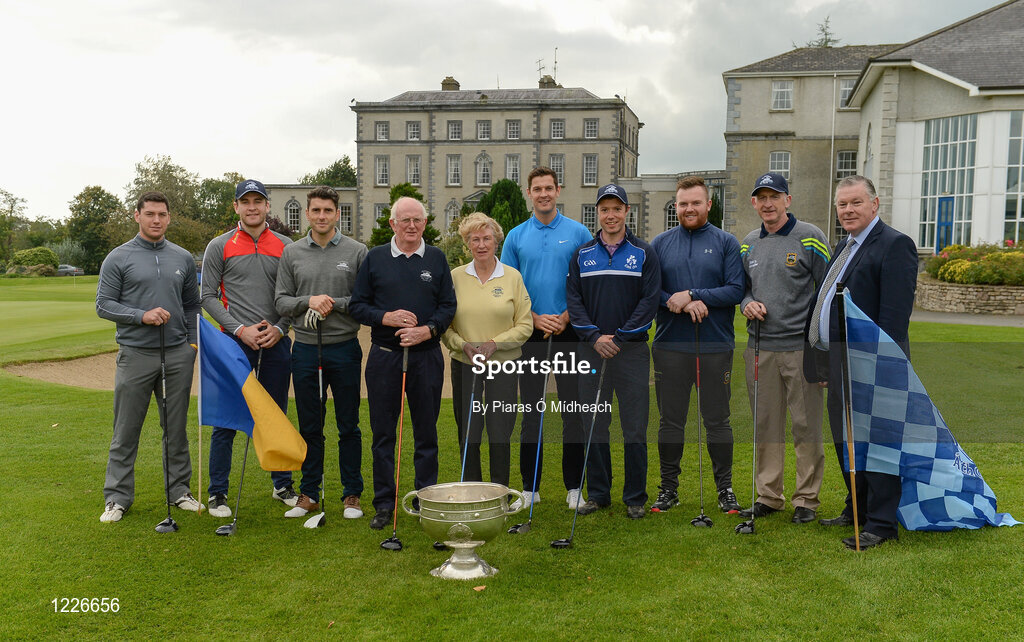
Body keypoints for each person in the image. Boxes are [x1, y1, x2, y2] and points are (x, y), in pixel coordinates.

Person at [805, 175, 918, 550]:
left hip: (874, 365)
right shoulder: (844, 245)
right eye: (842, 204)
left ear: (875, 204)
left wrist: (879, 364)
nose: (848, 210)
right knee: (846, 441)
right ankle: (856, 508)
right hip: (840, 364)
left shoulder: (895, 244)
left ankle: (882, 523)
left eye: (855, 202)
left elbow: (894, 318)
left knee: (878, 444)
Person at [349, 197, 456, 530]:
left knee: (427, 433)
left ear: (425, 223)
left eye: (418, 220)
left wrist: (428, 330)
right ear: (393, 223)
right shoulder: (375, 258)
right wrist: (386, 317)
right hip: (385, 358)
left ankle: (426, 499)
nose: (412, 226)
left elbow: (448, 306)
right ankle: (384, 503)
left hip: (426, 358)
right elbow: (357, 306)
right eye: (405, 220)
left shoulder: (436, 258)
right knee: (383, 434)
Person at [96, 191, 203, 522]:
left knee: (176, 427)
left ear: (169, 218)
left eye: (162, 214)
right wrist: (140, 315)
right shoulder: (119, 257)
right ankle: (117, 498)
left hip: (176, 355)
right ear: (137, 216)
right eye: (150, 214)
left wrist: (192, 345)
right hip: (136, 354)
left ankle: (179, 491)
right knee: (126, 428)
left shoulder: (183, 258)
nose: (156, 220)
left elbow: (191, 305)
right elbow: (104, 304)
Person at [201, 179, 298, 517]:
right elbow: (207, 296)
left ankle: (282, 484)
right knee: (226, 418)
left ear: (268, 206)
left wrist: (281, 328)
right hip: (233, 343)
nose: (253, 206)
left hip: (274, 341)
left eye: (259, 201)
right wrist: (239, 329)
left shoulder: (287, 246)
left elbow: (290, 298)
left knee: (275, 415)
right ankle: (217, 493)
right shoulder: (220, 245)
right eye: (246, 201)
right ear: (236, 207)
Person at [650, 175, 745, 514]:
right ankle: (668, 489)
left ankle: (725, 489)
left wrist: (693, 294)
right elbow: (651, 294)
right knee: (670, 422)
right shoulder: (659, 243)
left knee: (717, 421)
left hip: (715, 346)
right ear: (676, 206)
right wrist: (677, 301)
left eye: (695, 203)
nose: (689, 209)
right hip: (670, 347)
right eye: (683, 203)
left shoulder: (726, 242)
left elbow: (735, 289)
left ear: (708, 204)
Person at [738, 172, 829, 524]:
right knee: (766, 425)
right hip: (760, 349)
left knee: (806, 426)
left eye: (774, 196)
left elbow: (828, 291)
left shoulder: (810, 237)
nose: (768, 203)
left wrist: (823, 352)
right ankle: (768, 496)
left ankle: (806, 499)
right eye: (761, 197)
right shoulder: (748, 243)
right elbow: (743, 289)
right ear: (754, 203)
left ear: (787, 200)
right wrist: (746, 303)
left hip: (801, 349)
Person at [500, 166, 593, 509]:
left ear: (558, 190)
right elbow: (509, 287)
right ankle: (530, 488)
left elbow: (586, 283)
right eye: (537, 189)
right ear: (529, 193)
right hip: (532, 332)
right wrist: (535, 318)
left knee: (572, 411)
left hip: (569, 331)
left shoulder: (579, 232)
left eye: (548, 188)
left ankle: (573, 488)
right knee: (532, 411)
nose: (543, 194)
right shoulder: (516, 236)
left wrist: (567, 316)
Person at [566, 184, 660, 519]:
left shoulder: (645, 253)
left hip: (631, 351)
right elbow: (574, 303)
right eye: (605, 209)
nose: (611, 215)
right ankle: (599, 493)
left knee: (634, 426)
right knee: (594, 424)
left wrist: (618, 337)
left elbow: (649, 303)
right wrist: (594, 337)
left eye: (617, 208)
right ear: (598, 213)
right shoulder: (581, 254)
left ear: (626, 212)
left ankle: (635, 496)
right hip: (591, 351)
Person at [275, 186, 368, 520]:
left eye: (328, 211)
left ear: (337, 213)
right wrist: (308, 301)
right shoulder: (293, 252)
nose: (321, 216)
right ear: (308, 213)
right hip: (304, 350)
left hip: (344, 349)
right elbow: (282, 301)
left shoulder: (357, 251)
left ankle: (351, 494)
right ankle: (309, 493)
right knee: (310, 425)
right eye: (315, 211)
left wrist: (331, 303)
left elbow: (364, 303)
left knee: (348, 425)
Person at [441, 213, 532, 486]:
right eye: (474, 239)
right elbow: (445, 326)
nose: (481, 244)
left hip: (503, 365)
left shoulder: (512, 277)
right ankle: (471, 487)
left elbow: (525, 325)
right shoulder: (455, 277)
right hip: (465, 364)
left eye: (487, 238)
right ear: (467, 244)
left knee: (499, 429)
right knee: (469, 430)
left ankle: (498, 490)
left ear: (497, 241)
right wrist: (463, 345)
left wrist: (494, 344)